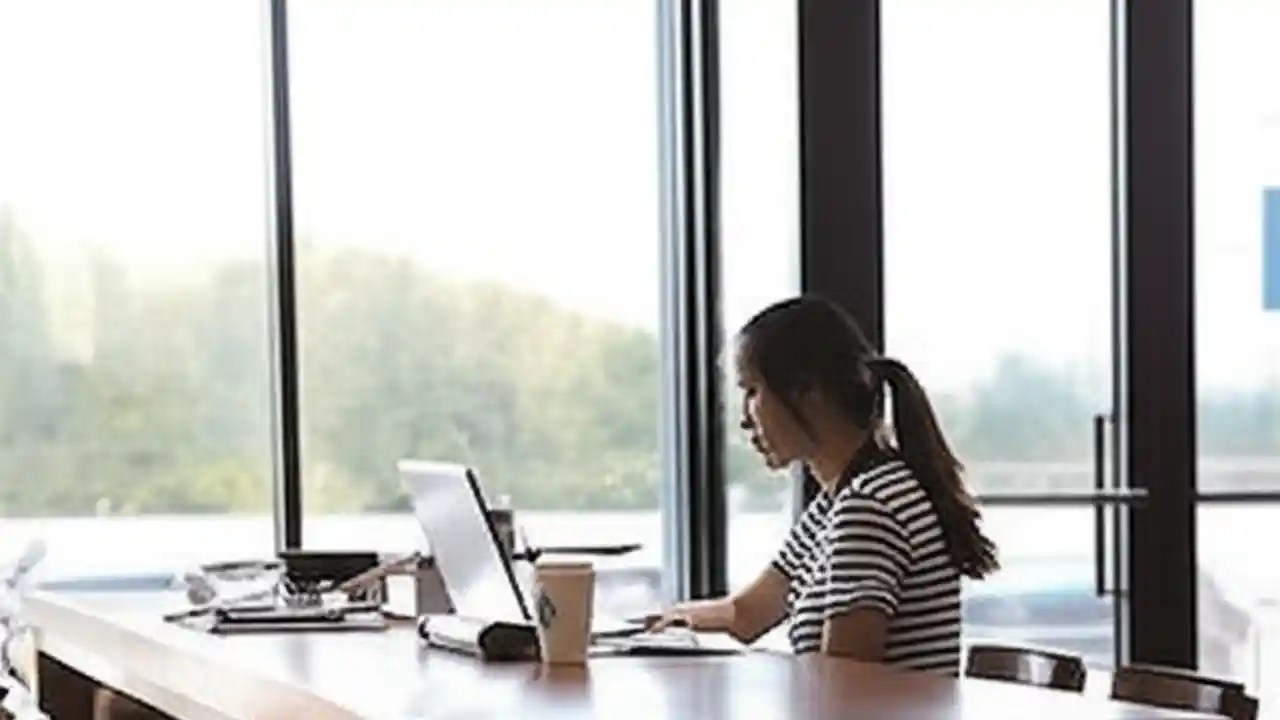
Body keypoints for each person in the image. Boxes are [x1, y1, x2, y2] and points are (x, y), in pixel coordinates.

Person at [652, 295, 997, 675]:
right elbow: (746, 614)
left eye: (752, 391)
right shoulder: (838, 503)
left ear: (808, 392)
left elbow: (844, 684)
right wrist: (648, 629)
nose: (745, 420)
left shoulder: (868, 507)